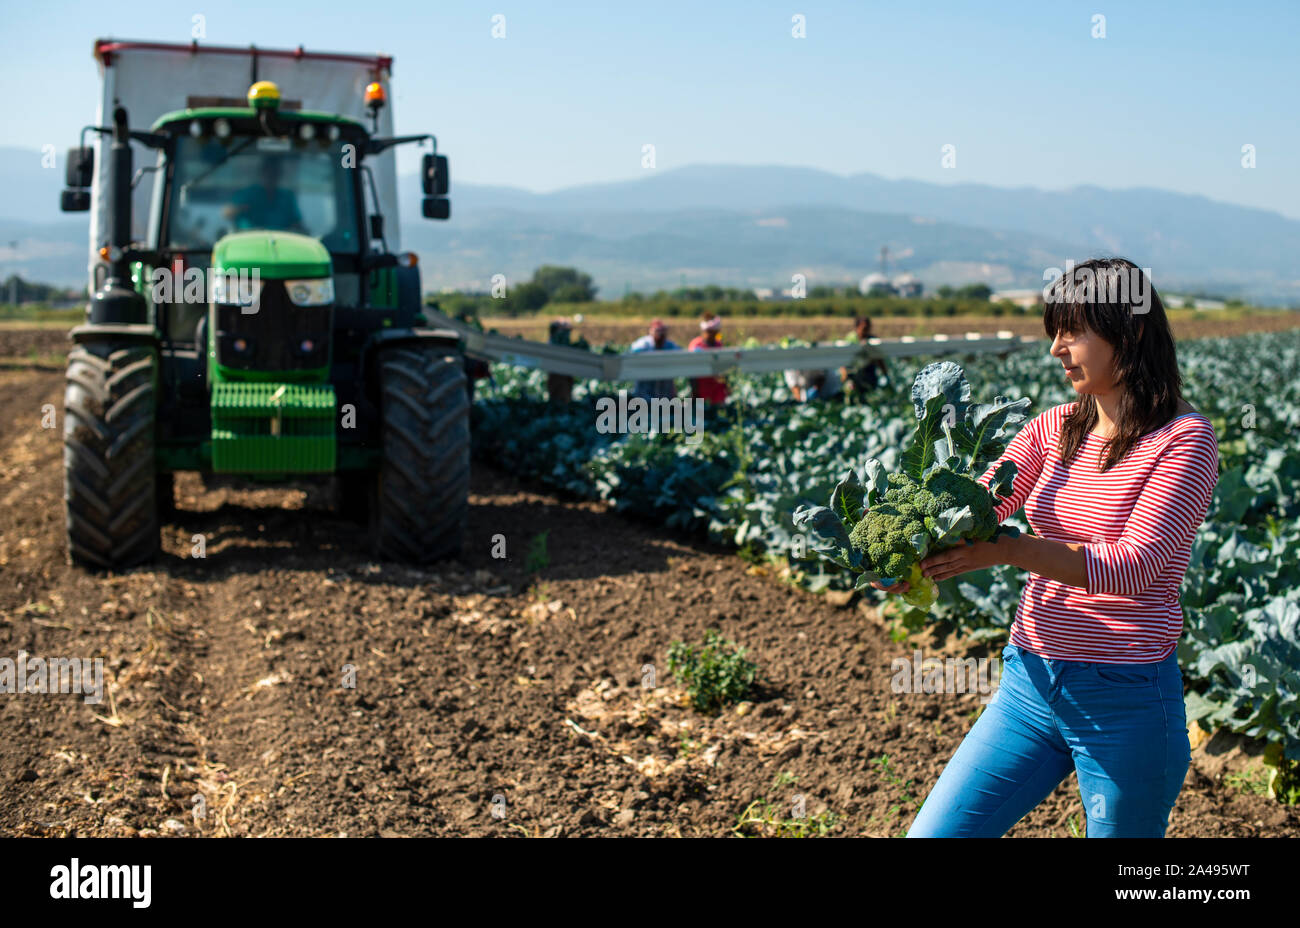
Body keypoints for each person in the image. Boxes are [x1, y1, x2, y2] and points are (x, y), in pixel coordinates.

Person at [883, 257, 1219, 838]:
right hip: (1030, 685)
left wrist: (1010, 551)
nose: (1056, 349)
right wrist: (910, 552)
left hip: (1126, 700)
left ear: (1132, 331)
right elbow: (977, 506)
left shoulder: (1185, 440)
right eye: (1053, 333)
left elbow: (1136, 566)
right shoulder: (1053, 427)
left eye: (1073, 331)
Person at [224, 156, 305, 233]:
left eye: (274, 173)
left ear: (279, 174)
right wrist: (241, 208)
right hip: (248, 240)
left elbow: (297, 223)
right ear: (261, 173)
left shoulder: (287, 197)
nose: (271, 176)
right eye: (268, 172)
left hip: (281, 242)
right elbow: (226, 213)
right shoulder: (248, 194)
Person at [628, 319, 680, 401]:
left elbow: (680, 354)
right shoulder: (644, 343)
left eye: (662, 331)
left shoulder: (669, 344)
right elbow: (632, 352)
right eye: (657, 331)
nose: (660, 334)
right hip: (645, 389)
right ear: (651, 331)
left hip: (664, 390)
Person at [839, 316, 888, 397]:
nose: (866, 332)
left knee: (870, 393)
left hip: (868, 372)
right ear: (857, 328)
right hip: (853, 373)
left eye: (868, 328)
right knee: (852, 393)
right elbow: (843, 356)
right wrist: (843, 372)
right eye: (864, 328)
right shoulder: (851, 339)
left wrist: (885, 374)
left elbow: (879, 358)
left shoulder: (872, 340)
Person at [686, 313, 729, 404]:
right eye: (709, 332)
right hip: (701, 387)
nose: (712, 335)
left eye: (714, 332)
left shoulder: (718, 345)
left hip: (717, 388)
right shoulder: (696, 345)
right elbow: (691, 369)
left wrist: (726, 386)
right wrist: (694, 390)